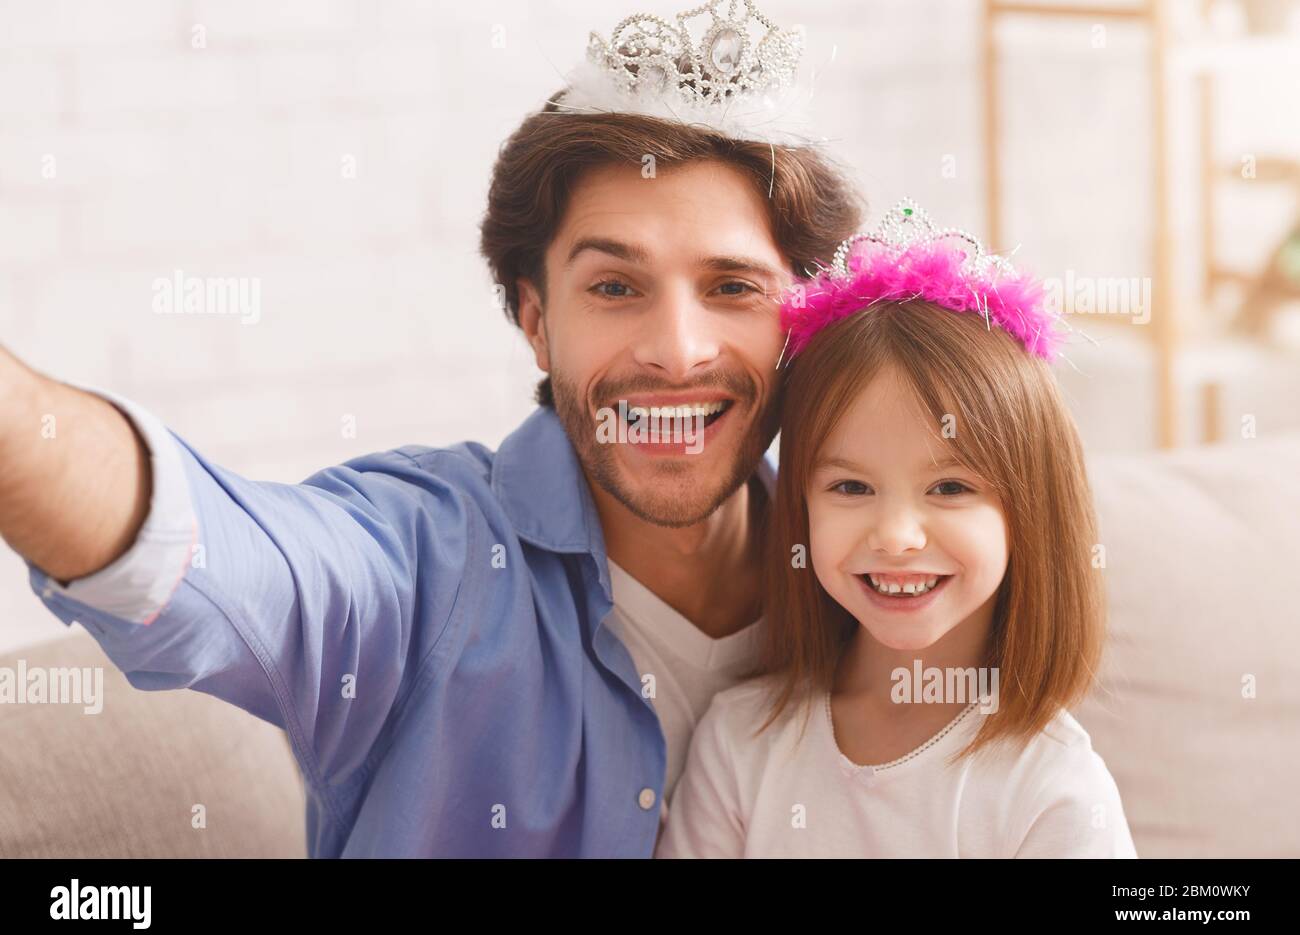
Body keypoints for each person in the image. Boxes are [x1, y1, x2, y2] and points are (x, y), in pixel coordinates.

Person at [0, 4, 863, 856]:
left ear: (805, 322)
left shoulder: (879, 579)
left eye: (735, 288)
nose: (677, 353)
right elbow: (215, 560)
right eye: (614, 287)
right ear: (536, 318)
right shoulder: (422, 566)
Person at [658, 200, 1138, 858]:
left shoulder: (1053, 792)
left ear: (1031, 512)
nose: (896, 535)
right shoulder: (740, 745)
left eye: (950, 488)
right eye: (851, 487)